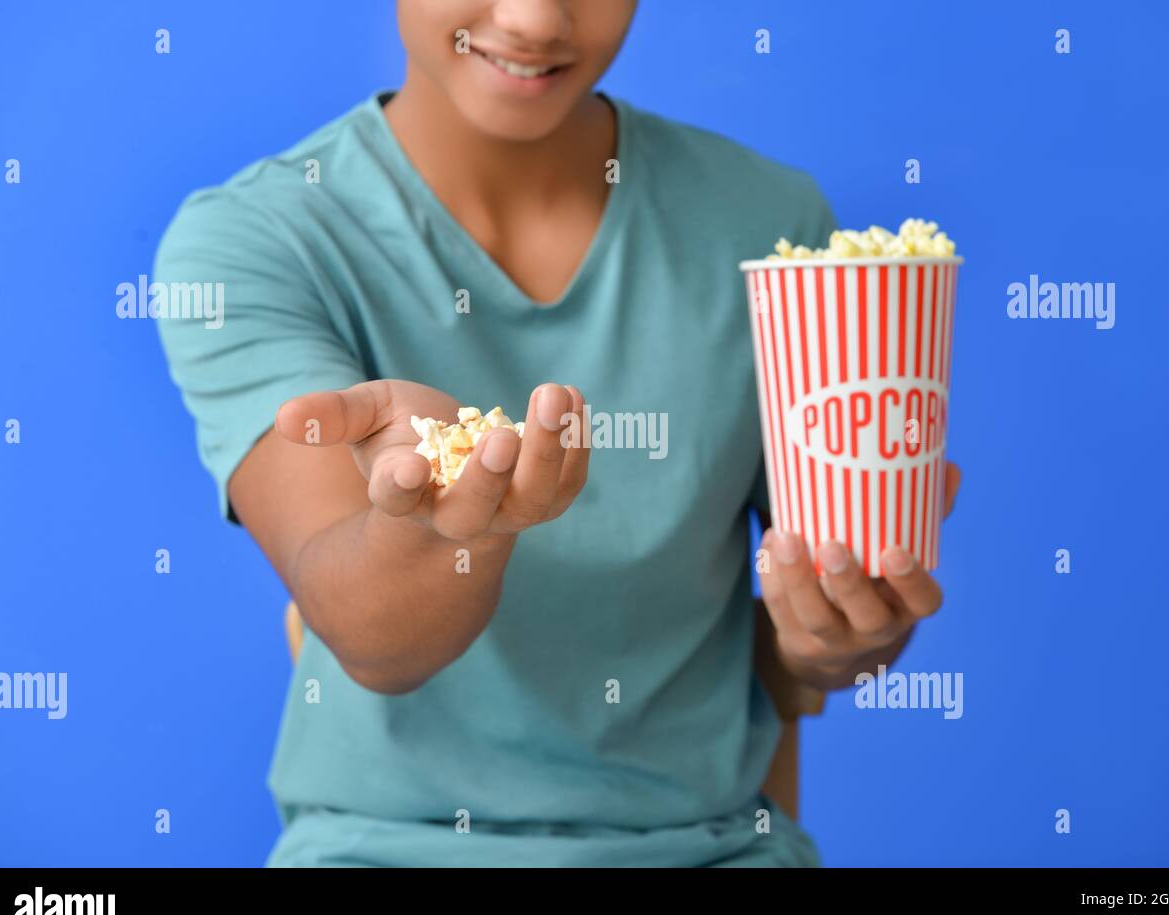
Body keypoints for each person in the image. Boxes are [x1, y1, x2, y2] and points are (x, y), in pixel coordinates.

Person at [154, 0, 959, 867]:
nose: (536, 19)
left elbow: (801, 647)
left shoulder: (773, 226)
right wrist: (443, 524)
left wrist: (840, 639)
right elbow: (373, 638)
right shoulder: (259, 242)